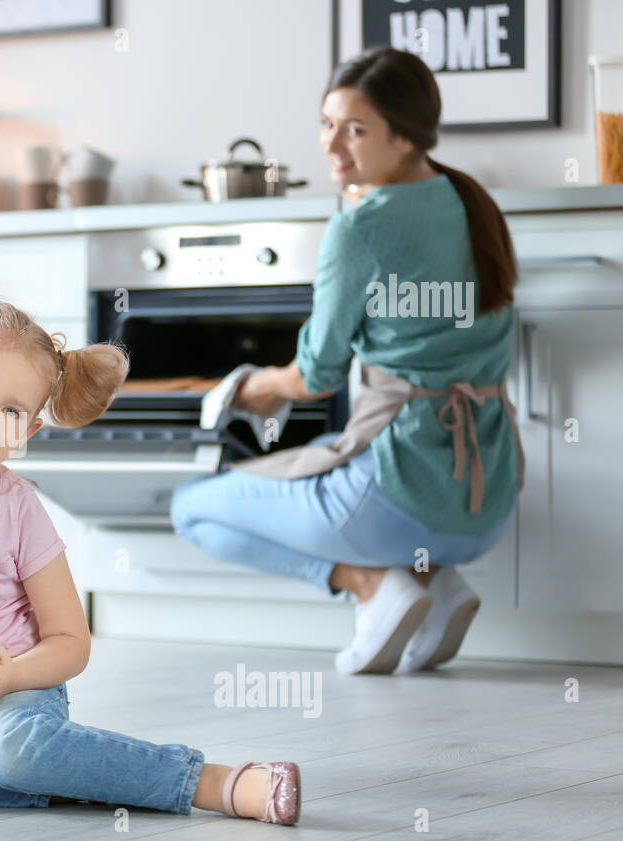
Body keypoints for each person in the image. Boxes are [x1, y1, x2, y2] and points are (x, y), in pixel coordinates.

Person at [0, 261, 301, 824]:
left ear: (28, 432)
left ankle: (207, 782)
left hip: (13, 694)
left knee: (11, 748)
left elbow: (71, 640)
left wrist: (14, 674)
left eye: (10, 411)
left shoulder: (19, 508)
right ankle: (72, 775)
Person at [171, 46, 523, 676]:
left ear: (409, 138)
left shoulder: (358, 228)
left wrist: (254, 387)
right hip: (485, 507)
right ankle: (437, 585)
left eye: (356, 130)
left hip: (402, 505)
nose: (334, 147)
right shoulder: (474, 203)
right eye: (328, 124)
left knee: (192, 507)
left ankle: (373, 587)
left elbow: (315, 376)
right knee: (343, 449)